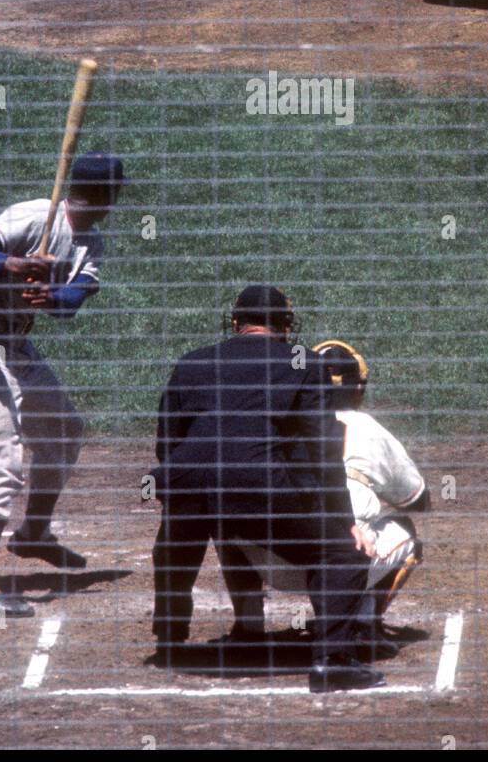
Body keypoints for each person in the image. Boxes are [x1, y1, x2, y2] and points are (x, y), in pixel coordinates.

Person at [151, 284, 385, 693]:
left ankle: (170, 636)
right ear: (285, 325)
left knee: (178, 532)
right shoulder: (304, 364)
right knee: (342, 552)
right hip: (254, 478)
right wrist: (343, 521)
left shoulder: (193, 361)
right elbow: (322, 449)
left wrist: (181, 486)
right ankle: (333, 661)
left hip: (184, 476)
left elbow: (167, 439)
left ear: (237, 322)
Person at [0, 151, 123, 618]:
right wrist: (12, 264)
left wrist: (49, 294)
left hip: (16, 348)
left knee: (63, 432)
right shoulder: (34, 215)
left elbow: (71, 302)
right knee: (1, 463)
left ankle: (34, 532)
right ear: (109, 196)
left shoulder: (91, 242)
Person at [217, 339, 429, 647]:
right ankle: (362, 624)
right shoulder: (369, 428)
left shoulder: (277, 422)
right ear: (359, 389)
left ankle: (248, 628)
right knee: (408, 533)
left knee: (230, 518)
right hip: (343, 570)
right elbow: (417, 499)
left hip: (272, 562)